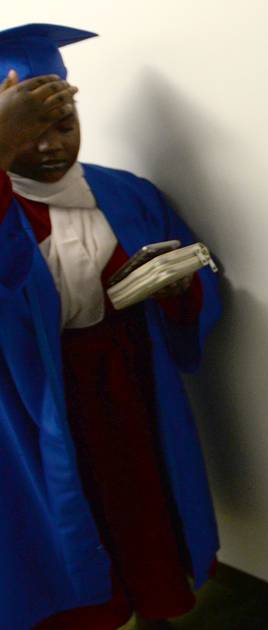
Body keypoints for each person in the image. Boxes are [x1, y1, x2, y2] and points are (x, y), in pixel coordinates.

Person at [0, 24, 221, 630]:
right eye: (27, 130)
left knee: (140, 510)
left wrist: (178, 290)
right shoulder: (4, 208)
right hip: (32, 405)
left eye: (63, 124)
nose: (49, 144)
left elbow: (197, 282)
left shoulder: (124, 192)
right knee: (61, 529)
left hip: (129, 385)